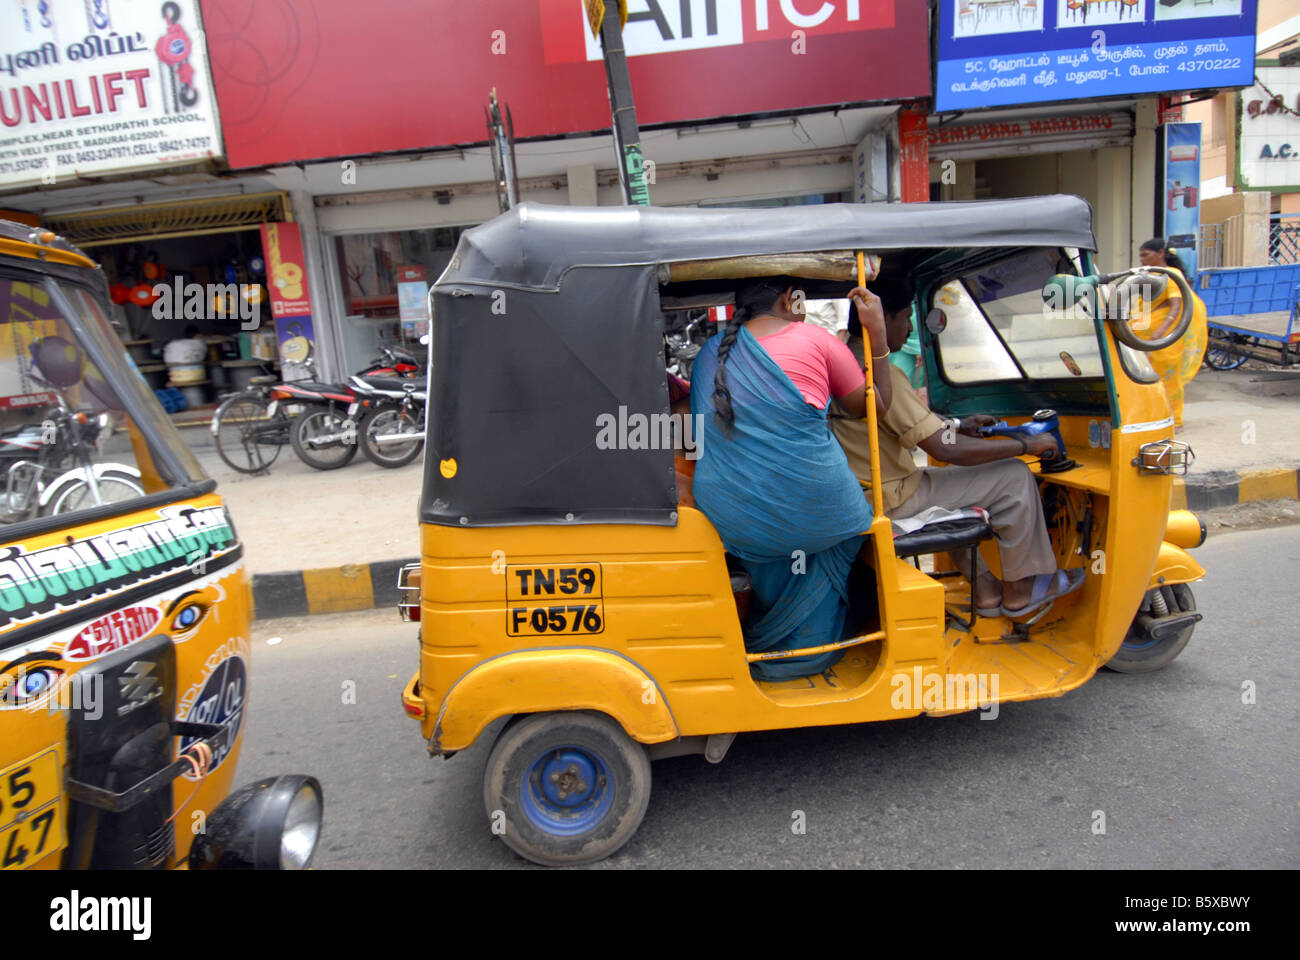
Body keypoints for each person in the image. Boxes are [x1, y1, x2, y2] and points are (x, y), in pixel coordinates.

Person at [828, 276, 1084, 618]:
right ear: (882, 318)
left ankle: (989, 591)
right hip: (890, 498)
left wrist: (960, 426)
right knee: (1013, 476)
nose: (908, 328)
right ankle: (1023, 588)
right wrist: (1024, 444)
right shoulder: (879, 371)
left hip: (861, 493)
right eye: (905, 317)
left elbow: (905, 426)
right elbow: (945, 448)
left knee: (951, 483)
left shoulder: (841, 361)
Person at [689, 276, 889, 680]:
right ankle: (809, 645)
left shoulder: (710, 353)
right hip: (818, 514)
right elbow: (874, 409)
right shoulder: (818, 340)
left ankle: (768, 635)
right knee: (852, 528)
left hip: (729, 520)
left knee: (780, 550)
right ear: (788, 299)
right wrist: (878, 337)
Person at [1134, 238, 1208, 432]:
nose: (1142, 259)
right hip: (1146, 341)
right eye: (1140, 255)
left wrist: (1161, 330)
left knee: (1168, 379)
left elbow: (1176, 305)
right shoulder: (1151, 275)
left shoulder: (1172, 275)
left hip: (1165, 341)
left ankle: (1175, 420)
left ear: (1161, 253)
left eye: (1145, 254)